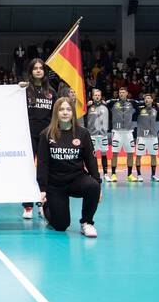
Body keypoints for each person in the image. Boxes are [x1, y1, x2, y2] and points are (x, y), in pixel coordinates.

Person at [36, 96, 101, 238]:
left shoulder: (83, 133)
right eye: (61, 110)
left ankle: (87, 223)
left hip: (76, 179)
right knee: (61, 226)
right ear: (56, 113)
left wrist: (98, 183)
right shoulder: (46, 134)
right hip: (55, 184)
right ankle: (45, 207)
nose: (65, 112)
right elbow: (42, 163)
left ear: (73, 113)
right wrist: (42, 189)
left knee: (93, 186)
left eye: (68, 109)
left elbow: (90, 159)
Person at [18, 57, 55, 217]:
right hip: (28, 135)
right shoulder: (24, 90)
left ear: (44, 71)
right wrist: (17, 88)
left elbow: (55, 116)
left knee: (44, 169)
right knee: (27, 169)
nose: (38, 70)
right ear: (31, 72)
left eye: (41, 68)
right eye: (35, 68)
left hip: (46, 136)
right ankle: (27, 206)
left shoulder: (51, 92)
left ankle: (41, 201)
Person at [108, 86, 136, 182]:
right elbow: (102, 103)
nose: (121, 94)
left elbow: (145, 103)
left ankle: (129, 174)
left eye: (123, 92)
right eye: (120, 92)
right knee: (114, 153)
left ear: (127, 93)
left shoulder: (132, 103)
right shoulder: (112, 103)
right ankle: (113, 174)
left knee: (130, 154)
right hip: (117, 132)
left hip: (129, 132)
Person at [133, 92, 159, 182]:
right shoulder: (139, 109)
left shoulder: (155, 109)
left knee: (153, 156)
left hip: (153, 136)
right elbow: (133, 105)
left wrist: (157, 104)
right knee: (138, 156)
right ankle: (139, 174)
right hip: (142, 136)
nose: (147, 100)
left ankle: (153, 175)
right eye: (145, 98)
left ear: (152, 100)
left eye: (149, 98)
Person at [85, 88, 110, 177]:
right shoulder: (88, 107)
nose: (97, 97)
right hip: (92, 134)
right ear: (92, 97)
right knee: (92, 155)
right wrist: (87, 105)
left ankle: (106, 174)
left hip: (103, 134)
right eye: (95, 95)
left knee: (104, 154)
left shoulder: (106, 105)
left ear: (101, 97)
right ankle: (93, 173)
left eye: (98, 95)